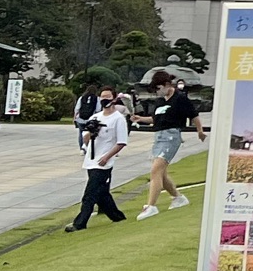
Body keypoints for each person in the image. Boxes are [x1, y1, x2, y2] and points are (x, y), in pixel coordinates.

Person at [139, 71, 205, 216]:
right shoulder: (160, 101)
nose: (157, 92)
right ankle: (178, 197)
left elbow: (194, 116)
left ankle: (151, 205)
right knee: (161, 173)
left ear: (166, 85)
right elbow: (155, 119)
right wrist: (139, 118)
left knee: (156, 170)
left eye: (158, 88)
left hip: (171, 136)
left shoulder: (180, 98)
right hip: (159, 136)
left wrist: (199, 131)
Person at [67, 87, 130, 230]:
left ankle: (80, 223)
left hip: (104, 163)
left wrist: (107, 157)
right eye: (102, 97)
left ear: (114, 99)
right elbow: (86, 140)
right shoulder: (96, 117)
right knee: (101, 193)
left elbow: (121, 142)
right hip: (91, 160)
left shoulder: (118, 119)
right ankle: (117, 216)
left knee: (90, 194)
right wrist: (92, 132)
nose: (104, 99)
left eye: (108, 96)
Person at [73, 79, 104, 162]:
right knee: (89, 133)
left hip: (81, 119)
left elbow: (77, 108)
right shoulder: (96, 99)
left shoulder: (82, 97)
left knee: (80, 133)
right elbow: (98, 109)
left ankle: (81, 149)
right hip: (90, 119)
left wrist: (75, 118)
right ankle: (87, 146)